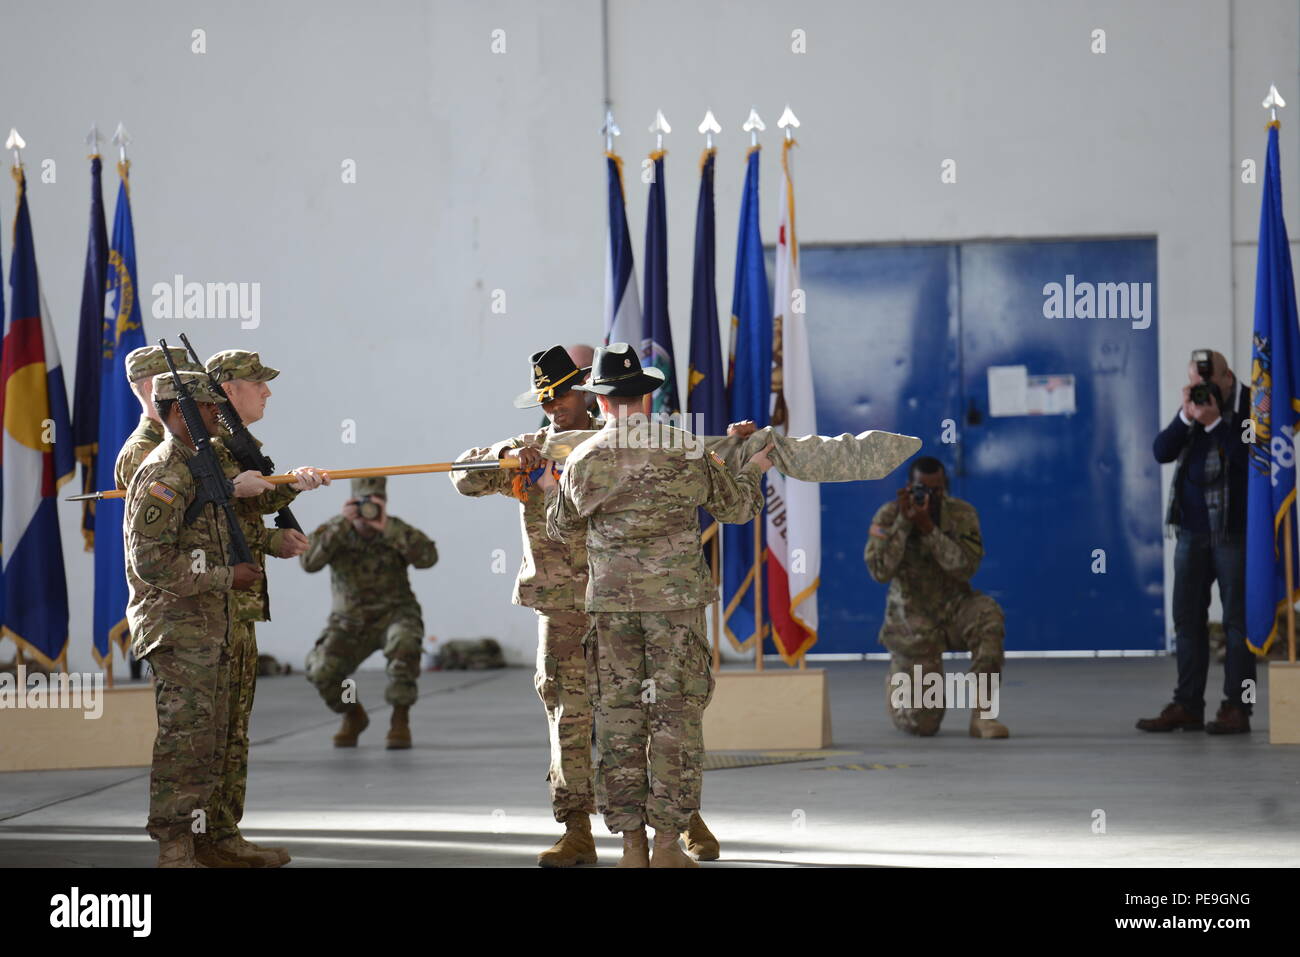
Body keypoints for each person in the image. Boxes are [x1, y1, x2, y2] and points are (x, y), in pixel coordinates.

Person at [451, 345, 724, 866]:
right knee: (570, 714)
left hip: (633, 600)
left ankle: (680, 818)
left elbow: (707, 466)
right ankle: (577, 827)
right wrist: (511, 458)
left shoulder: (628, 441)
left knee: (668, 708)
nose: (554, 408)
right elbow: (462, 475)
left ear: (589, 391)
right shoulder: (533, 445)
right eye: (546, 400)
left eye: (563, 396)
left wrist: (735, 447)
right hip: (565, 602)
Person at [544, 342, 774, 868]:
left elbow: (560, 528)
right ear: (645, 399)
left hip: (611, 611)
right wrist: (754, 465)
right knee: (675, 719)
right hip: (676, 609)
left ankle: (631, 848)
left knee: (619, 719)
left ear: (600, 402)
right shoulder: (683, 448)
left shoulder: (582, 457)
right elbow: (737, 508)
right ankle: (669, 844)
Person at [124, 371, 263, 867]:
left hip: (214, 626)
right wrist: (226, 578)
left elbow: (212, 540)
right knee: (187, 742)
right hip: (179, 629)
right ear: (182, 413)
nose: (217, 416)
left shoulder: (202, 466)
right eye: (208, 408)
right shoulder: (166, 473)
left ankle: (215, 839)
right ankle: (176, 845)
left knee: (219, 739)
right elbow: (151, 561)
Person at [198, 349, 329, 867]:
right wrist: (245, 491)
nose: (267, 392)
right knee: (208, 732)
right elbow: (195, 522)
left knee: (233, 728)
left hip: (239, 605)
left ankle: (223, 833)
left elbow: (239, 521)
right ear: (229, 390)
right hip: (208, 609)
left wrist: (282, 505)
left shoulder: (237, 445)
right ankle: (197, 837)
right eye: (259, 384)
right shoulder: (202, 450)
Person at [1141, 349, 1254, 734]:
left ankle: (1240, 707)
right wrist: (1187, 414)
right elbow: (1161, 451)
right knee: (1187, 620)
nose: (1202, 390)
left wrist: (1216, 424)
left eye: (1208, 383)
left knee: (1239, 625)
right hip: (1191, 531)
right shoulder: (1194, 407)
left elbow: (1251, 457)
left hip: (1235, 532)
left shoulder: (1253, 406)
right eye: (1194, 383)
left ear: (1228, 378)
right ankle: (1188, 704)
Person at [864, 456, 1009, 739]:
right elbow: (880, 571)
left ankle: (983, 716)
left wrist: (930, 530)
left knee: (987, 616)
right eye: (922, 489)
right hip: (911, 618)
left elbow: (965, 567)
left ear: (945, 488)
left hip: (954, 607)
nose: (928, 496)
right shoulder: (889, 516)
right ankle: (899, 683)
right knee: (922, 725)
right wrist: (906, 525)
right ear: (909, 488)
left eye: (936, 490)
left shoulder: (961, 514)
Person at [302, 477, 438, 748]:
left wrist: (387, 526)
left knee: (405, 643)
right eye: (362, 503)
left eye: (375, 504)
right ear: (352, 503)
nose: (368, 511)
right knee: (321, 669)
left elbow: (428, 558)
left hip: (395, 614)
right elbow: (308, 561)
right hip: (348, 622)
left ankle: (400, 719)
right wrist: (343, 522)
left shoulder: (394, 529)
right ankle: (353, 714)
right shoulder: (336, 530)